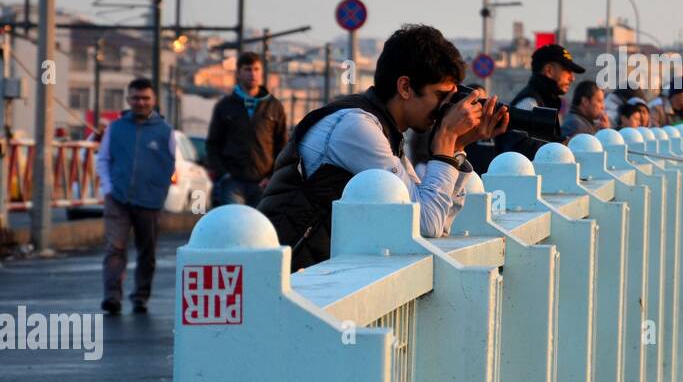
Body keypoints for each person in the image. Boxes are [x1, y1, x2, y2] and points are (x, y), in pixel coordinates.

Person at [259, 25, 508, 272]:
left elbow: (437, 224)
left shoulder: (386, 131)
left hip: (309, 276)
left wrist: (457, 145)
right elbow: (425, 222)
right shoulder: (355, 127)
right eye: (439, 95)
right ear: (405, 87)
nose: (445, 108)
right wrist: (447, 136)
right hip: (281, 279)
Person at [96, 78, 176, 315]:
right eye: (135, 98)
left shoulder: (165, 132)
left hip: (150, 202)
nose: (140, 102)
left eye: (145, 98)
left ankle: (140, 297)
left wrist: (160, 191)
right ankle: (112, 297)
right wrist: (108, 188)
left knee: (147, 251)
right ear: (128, 99)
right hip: (117, 200)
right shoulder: (115, 127)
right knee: (114, 248)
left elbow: (172, 166)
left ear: (154, 100)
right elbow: (103, 159)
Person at [205, 51, 287, 207]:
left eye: (256, 69)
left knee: (259, 230)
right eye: (248, 69)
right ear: (238, 73)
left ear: (262, 72)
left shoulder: (274, 107)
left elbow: (282, 146)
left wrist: (272, 176)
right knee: (235, 228)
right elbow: (213, 144)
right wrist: (224, 174)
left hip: (263, 183)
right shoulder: (225, 106)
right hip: (232, 182)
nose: (253, 74)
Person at [510, 44, 585, 111]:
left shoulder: (542, 103)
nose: (572, 78)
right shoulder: (530, 105)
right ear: (549, 70)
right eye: (567, 71)